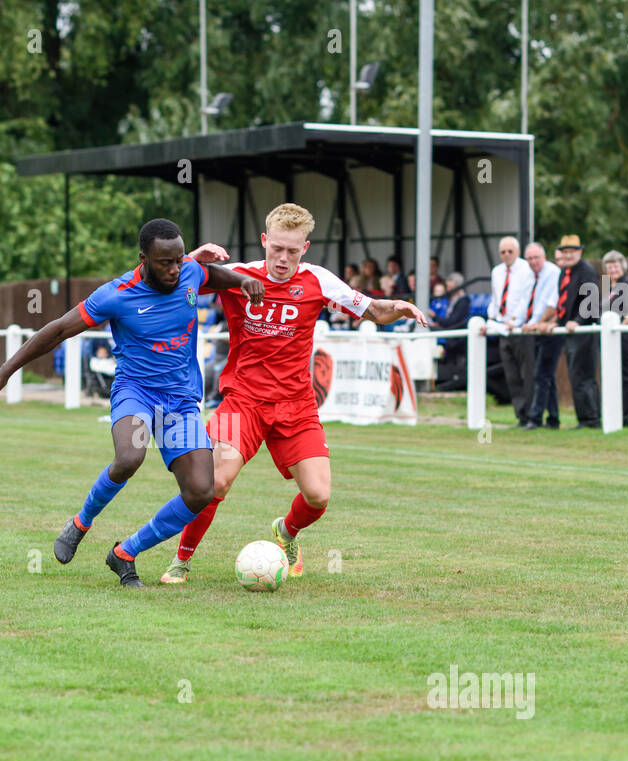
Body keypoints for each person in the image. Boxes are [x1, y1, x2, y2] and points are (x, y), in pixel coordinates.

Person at [0, 219, 264, 588]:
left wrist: (243, 281)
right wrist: (5, 370)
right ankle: (81, 522)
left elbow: (216, 275)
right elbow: (59, 330)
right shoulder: (116, 294)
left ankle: (125, 553)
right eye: (165, 263)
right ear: (143, 259)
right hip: (136, 392)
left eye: (179, 259)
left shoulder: (189, 272)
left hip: (180, 401)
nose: (175, 269)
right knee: (130, 457)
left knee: (200, 492)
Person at [160, 203, 427, 584]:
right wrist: (191, 258)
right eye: (276, 249)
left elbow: (371, 309)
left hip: (296, 405)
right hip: (243, 401)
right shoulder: (235, 276)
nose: (283, 259)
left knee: (318, 496)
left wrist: (397, 307)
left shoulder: (317, 281)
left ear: (306, 248)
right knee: (216, 481)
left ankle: (286, 531)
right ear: (265, 241)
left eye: (292, 250)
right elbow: (168, 277)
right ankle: (181, 560)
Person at [485, 236, 536, 426]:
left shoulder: (525, 269)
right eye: (503, 252)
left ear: (518, 252)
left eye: (510, 251)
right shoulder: (497, 272)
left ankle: (531, 414)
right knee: (511, 375)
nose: (506, 255)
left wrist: (516, 320)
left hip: (519, 328)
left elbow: (525, 298)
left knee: (527, 373)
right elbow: (496, 298)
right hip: (502, 327)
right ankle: (520, 415)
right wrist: (490, 320)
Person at [554, 234, 602, 428]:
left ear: (579, 252)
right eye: (565, 252)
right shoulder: (564, 273)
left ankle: (591, 419)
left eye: (572, 251)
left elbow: (591, 301)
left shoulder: (587, 271)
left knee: (584, 376)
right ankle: (584, 418)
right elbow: (564, 302)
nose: (568, 255)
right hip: (569, 331)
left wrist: (578, 321)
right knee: (576, 375)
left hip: (583, 331)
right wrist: (557, 322)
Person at [521, 242, 563, 430]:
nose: (533, 261)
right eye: (529, 258)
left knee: (541, 374)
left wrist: (536, 323)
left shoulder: (553, 272)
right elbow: (526, 301)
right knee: (547, 376)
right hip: (536, 329)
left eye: (536, 257)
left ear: (544, 257)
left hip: (549, 330)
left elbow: (551, 304)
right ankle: (553, 419)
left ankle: (535, 418)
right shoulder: (529, 276)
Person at [602, 250, 628, 427]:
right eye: (609, 267)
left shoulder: (627, 283)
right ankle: (613, 415)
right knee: (611, 376)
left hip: (621, 338)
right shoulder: (610, 286)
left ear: (622, 266)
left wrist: (619, 329)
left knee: (623, 376)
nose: (613, 269)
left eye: (616, 266)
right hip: (608, 339)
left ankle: (624, 416)